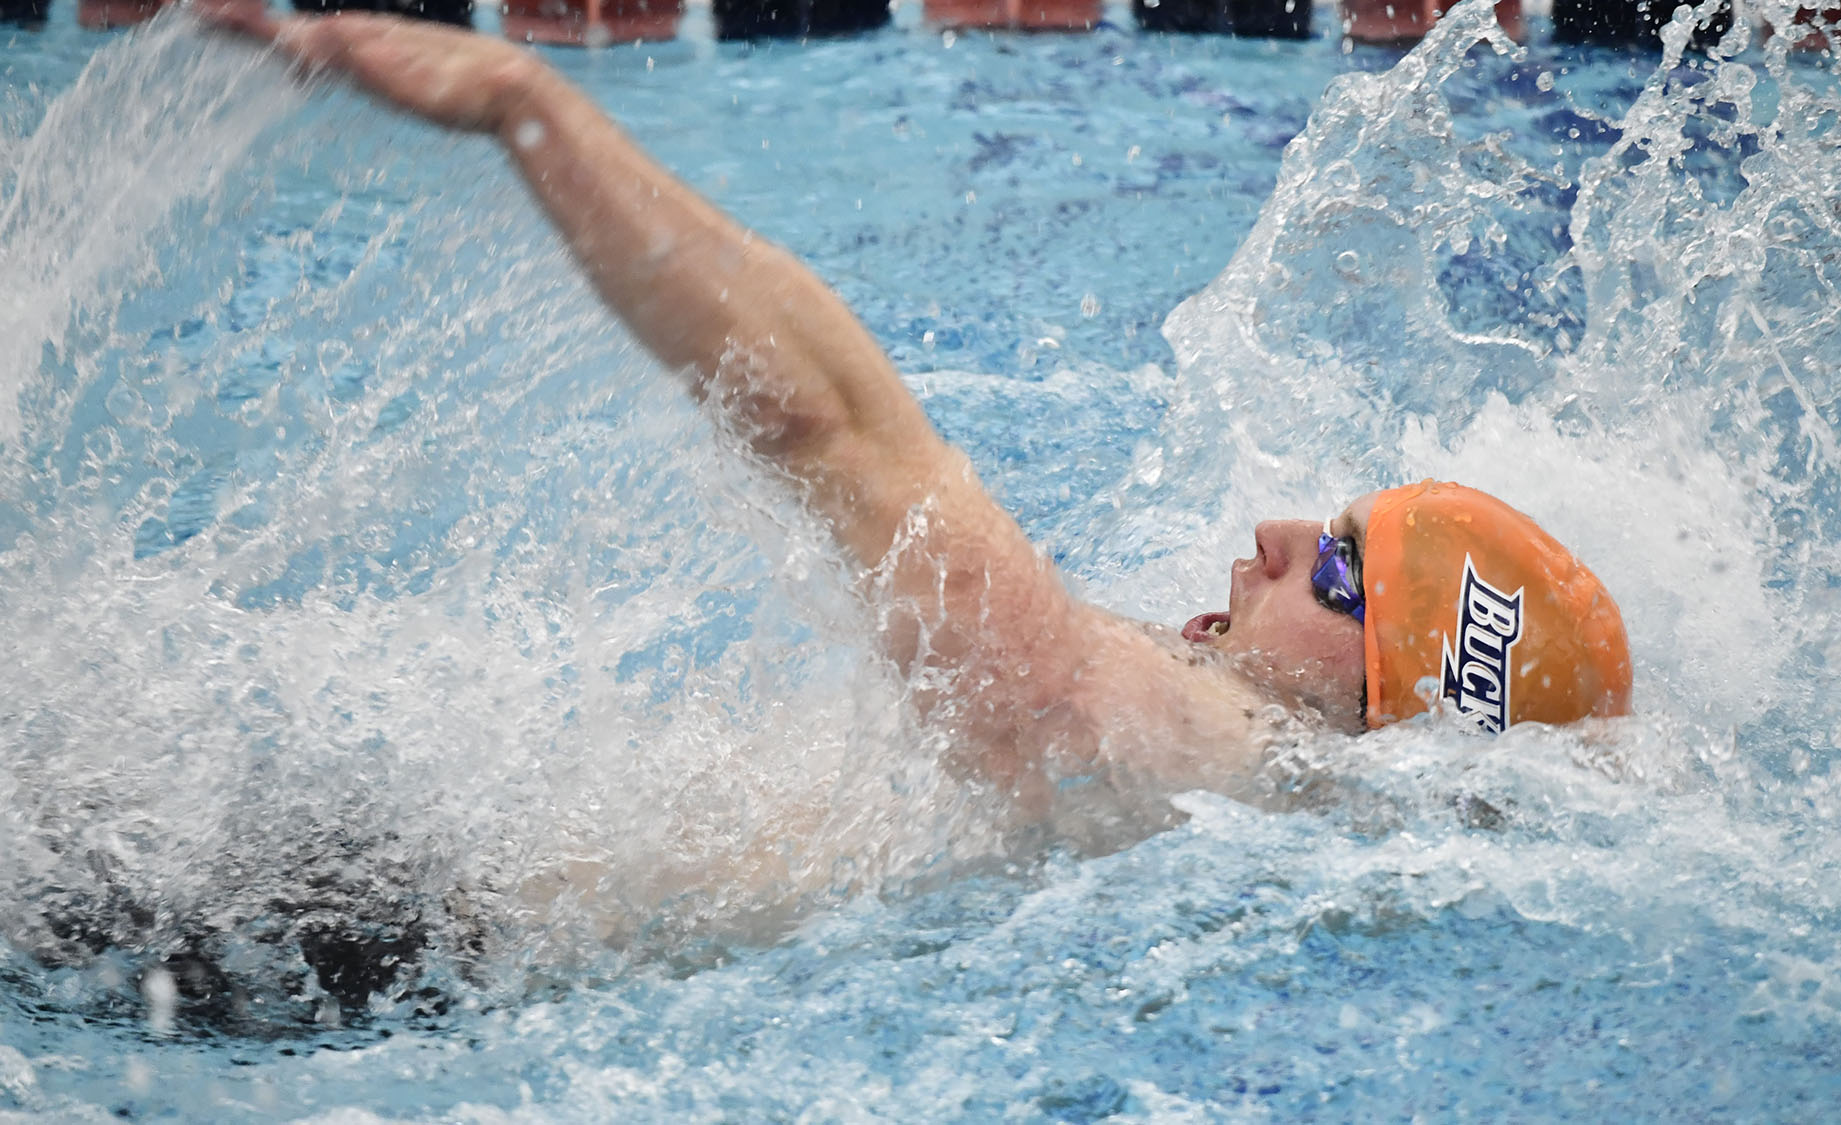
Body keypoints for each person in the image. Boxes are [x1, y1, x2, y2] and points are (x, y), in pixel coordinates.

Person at [197, 7, 1632, 833]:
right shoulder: (1251, 774)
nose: (1266, 532)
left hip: (384, 945)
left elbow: (826, 429)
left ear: (1409, 702)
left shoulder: (1152, 736)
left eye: (1334, 571)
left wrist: (527, 106)